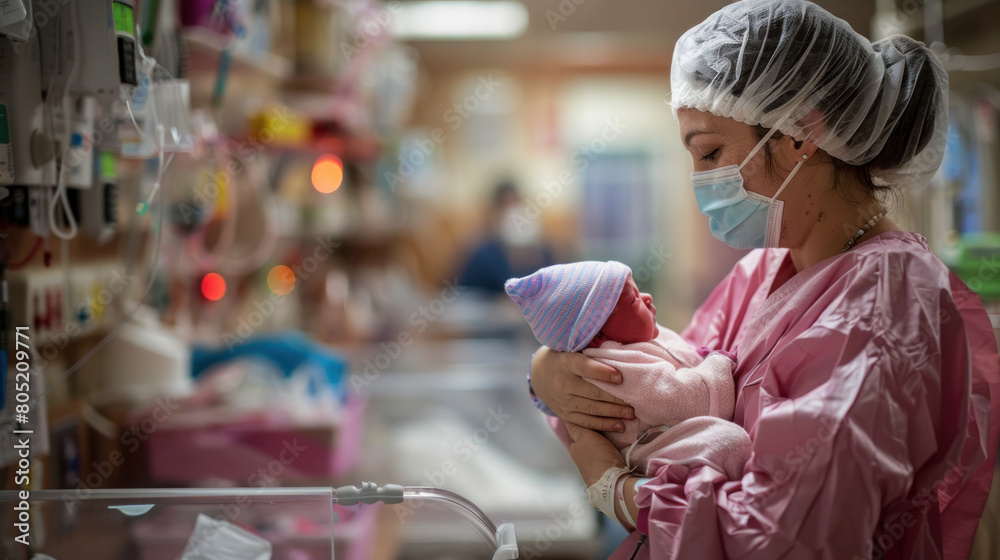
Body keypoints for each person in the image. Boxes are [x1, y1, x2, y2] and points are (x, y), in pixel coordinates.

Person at [526, 1, 1000, 558]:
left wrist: (627, 495)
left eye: (710, 152)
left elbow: (786, 536)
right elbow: (662, 390)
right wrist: (553, 376)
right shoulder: (766, 269)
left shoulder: (883, 304)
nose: (700, 180)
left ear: (802, 131)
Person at [504, 262, 751, 520]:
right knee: (726, 443)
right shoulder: (613, 370)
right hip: (651, 450)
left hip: (669, 434)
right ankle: (695, 501)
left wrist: (698, 358)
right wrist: (718, 365)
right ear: (598, 339)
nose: (647, 297)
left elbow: (681, 353)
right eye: (634, 301)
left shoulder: (639, 340)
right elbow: (688, 400)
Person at [456, 180, 555, 293]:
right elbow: (468, 297)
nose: (512, 212)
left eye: (516, 203)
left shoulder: (542, 253)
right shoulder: (482, 255)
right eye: (504, 205)